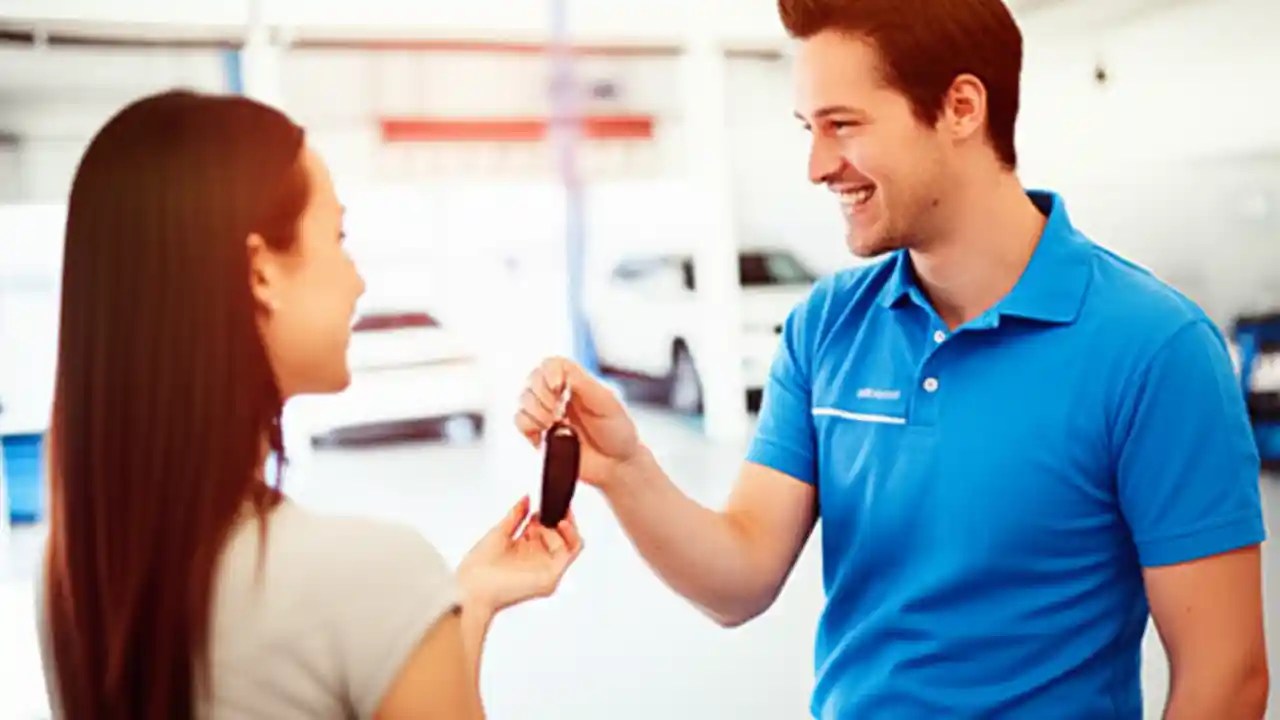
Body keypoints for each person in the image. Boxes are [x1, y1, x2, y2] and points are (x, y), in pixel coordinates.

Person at [516, 0, 1270, 717]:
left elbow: (1225, 676)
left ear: (962, 109)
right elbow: (739, 577)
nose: (816, 165)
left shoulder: (1153, 349)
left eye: (843, 125)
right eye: (808, 128)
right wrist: (624, 468)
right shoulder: (825, 326)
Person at [38, 89, 583, 720]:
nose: (358, 280)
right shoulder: (369, 576)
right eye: (338, 236)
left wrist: (466, 599)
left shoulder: (77, 583)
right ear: (261, 271)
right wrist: (416, 610)